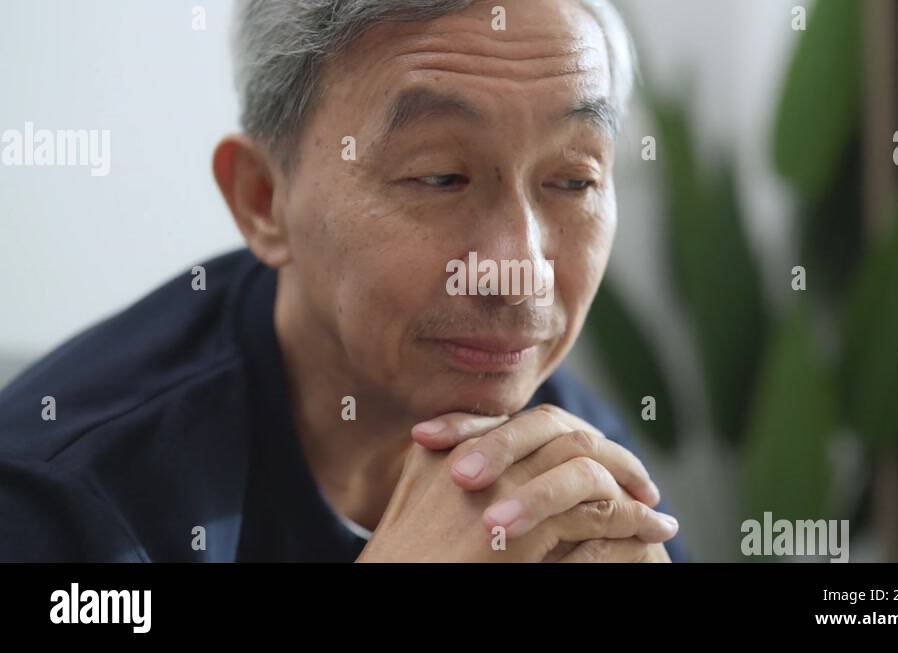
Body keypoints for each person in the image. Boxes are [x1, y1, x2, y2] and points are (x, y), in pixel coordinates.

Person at [0, 0, 683, 562]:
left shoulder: (560, 431)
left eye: (573, 180)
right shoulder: (63, 500)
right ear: (264, 198)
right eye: (441, 176)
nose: (520, 273)